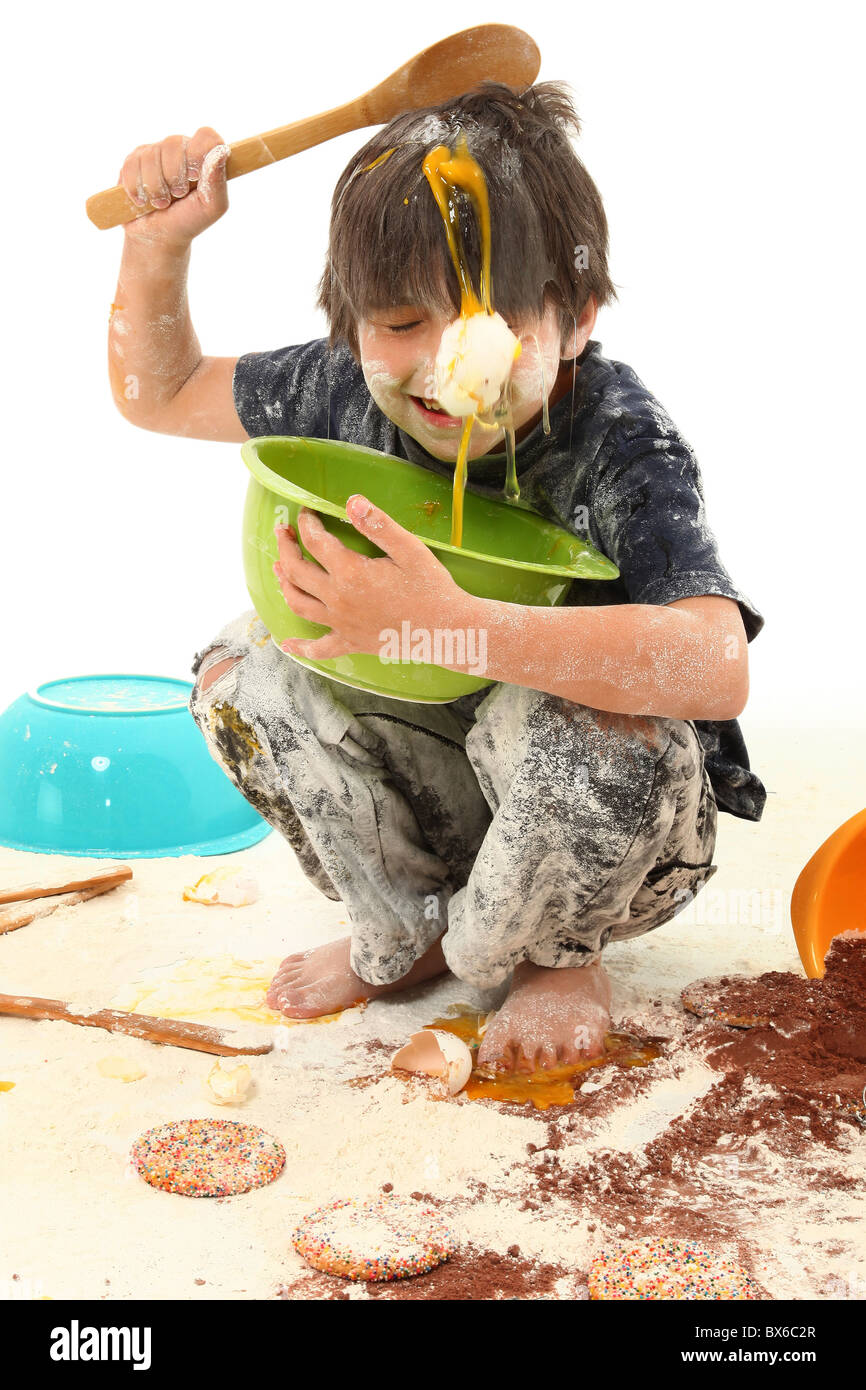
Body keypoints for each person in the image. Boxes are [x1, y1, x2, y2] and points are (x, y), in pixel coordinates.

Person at [110, 82, 765, 1074]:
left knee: (581, 726)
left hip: (616, 836)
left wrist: (452, 625)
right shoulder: (344, 384)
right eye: (401, 322)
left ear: (576, 319)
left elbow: (714, 665)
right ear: (351, 324)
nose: (438, 369)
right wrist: (156, 246)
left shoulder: (617, 437)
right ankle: (406, 927)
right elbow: (155, 393)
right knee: (242, 670)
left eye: (487, 327)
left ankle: (555, 955)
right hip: (448, 789)